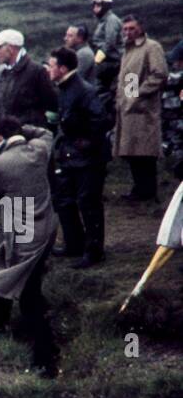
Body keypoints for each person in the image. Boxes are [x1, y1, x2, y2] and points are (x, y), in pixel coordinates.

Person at [0, 117, 59, 376]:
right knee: (7, 273)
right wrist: (21, 129)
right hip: (46, 229)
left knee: (28, 296)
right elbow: (43, 130)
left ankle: (45, 360)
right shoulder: (40, 149)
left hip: (23, 237)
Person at [48, 46, 109, 267]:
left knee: (88, 202)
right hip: (69, 154)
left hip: (88, 158)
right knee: (63, 200)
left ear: (62, 68)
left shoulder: (84, 90)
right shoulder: (64, 88)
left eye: (51, 65)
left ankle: (94, 252)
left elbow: (100, 120)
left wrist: (87, 143)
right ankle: (74, 244)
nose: (48, 69)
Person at [113, 13, 169, 203]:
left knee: (144, 153)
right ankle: (139, 189)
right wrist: (124, 98)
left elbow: (159, 74)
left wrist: (138, 94)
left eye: (132, 28)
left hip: (143, 110)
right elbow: (130, 77)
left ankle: (148, 192)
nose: (128, 32)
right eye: (125, 29)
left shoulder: (151, 47)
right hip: (128, 109)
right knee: (132, 152)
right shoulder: (128, 50)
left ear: (141, 28)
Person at [0, 29, 57, 129]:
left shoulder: (36, 71)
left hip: (30, 134)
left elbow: (51, 104)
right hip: (9, 133)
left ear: (11, 48)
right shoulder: (2, 72)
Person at [90, 0, 123, 100]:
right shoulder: (102, 21)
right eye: (94, 4)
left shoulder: (111, 20)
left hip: (111, 62)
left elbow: (110, 44)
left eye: (98, 4)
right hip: (107, 61)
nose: (95, 7)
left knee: (101, 91)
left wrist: (97, 60)